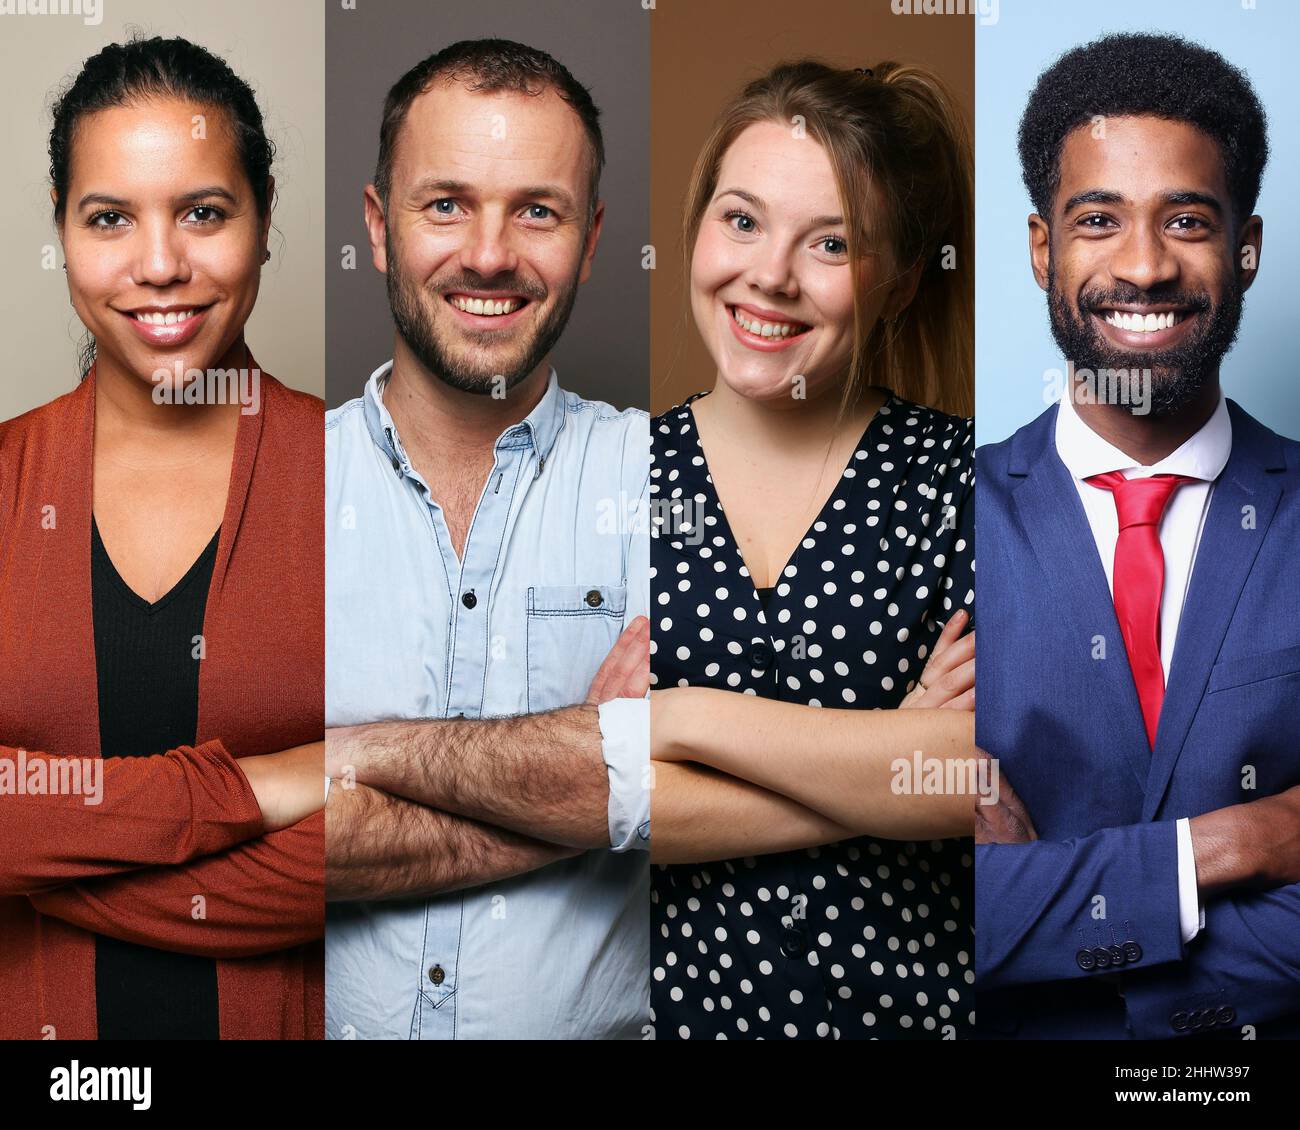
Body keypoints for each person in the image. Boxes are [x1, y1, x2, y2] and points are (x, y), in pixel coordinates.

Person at [323, 39, 651, 1041]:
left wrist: (353, 756)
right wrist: (584, 778)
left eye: (536, 210)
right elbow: (270, 835)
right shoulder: (269, 491)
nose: (491, 253)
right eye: (446, 203)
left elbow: (694, 784)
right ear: (379, 226)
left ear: (589, 240)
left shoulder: (669, 483)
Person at [976, 32, 1300, 1040]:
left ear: (1244, 244)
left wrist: (1043, 918)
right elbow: (923, 907)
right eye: (1099, 219)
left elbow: (996, 917)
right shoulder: (942, 515)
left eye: (1187, 220)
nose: (1145, 266)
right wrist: (1236, 843)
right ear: (1042, 248)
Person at [0, 36, 325, 1040]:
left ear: (264, 220)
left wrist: (41, 864)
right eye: (110, 218)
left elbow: (408, 833)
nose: (159, 266)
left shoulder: (369, 476)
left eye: (203, 212)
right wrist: (265, 782)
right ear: (60, 229)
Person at [649, 60, 978, 1041]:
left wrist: (677, 716)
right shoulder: (605, 475)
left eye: (828, 241)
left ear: (901, 278)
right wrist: (879, 761)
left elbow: (973, 775)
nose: (770, 274)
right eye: (741, 219)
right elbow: (592, 798)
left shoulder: (964, 481)